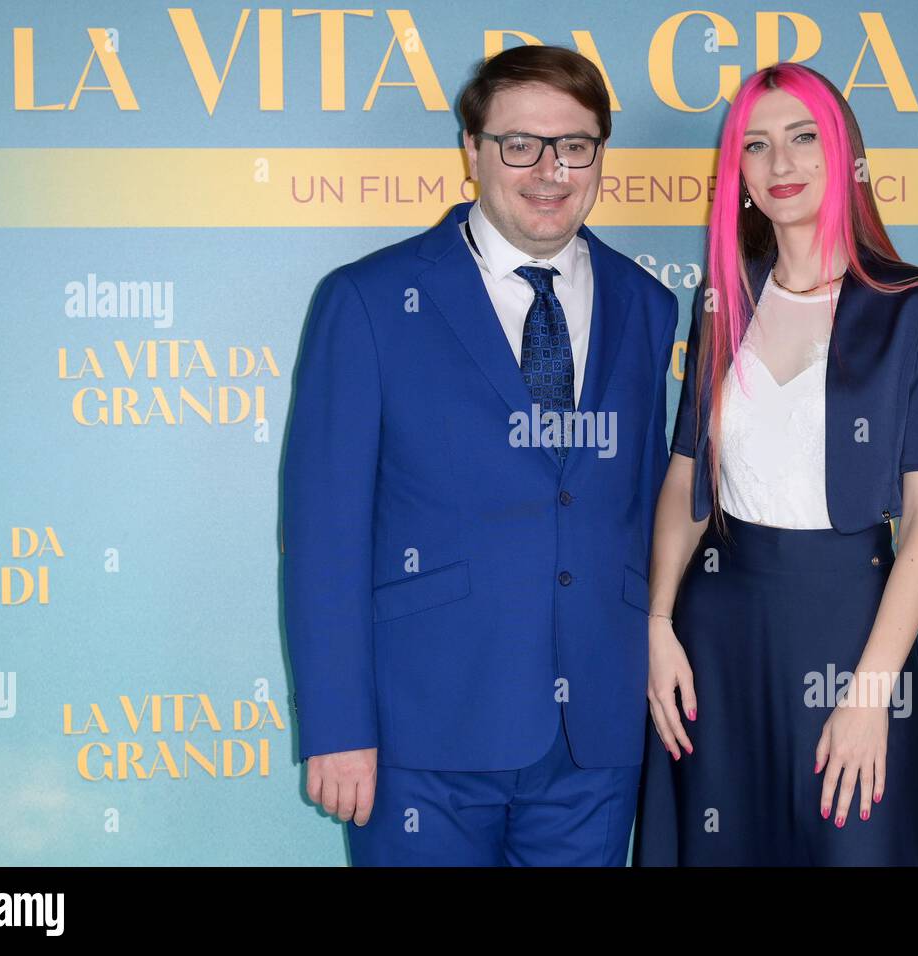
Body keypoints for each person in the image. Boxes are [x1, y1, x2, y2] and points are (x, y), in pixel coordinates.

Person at [281, 45, 677, 866]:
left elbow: (642, 508)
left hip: (595, 740)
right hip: (421, 737)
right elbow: (324, 538)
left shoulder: (647, 305)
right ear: (472, 149)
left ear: (600, 152)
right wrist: (339, 728)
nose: (549, 169)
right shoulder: (369, 302)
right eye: (519, 144)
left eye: (575, 145)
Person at [633, 62, 918, 866]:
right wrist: (655, 626)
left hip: (854, 640)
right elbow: (688, 477)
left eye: (802, 137)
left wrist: (870, 695)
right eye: (756, 146)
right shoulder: (723, 300)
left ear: (845, 152)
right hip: (714, 643)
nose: (780, 164)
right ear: (738, 174)